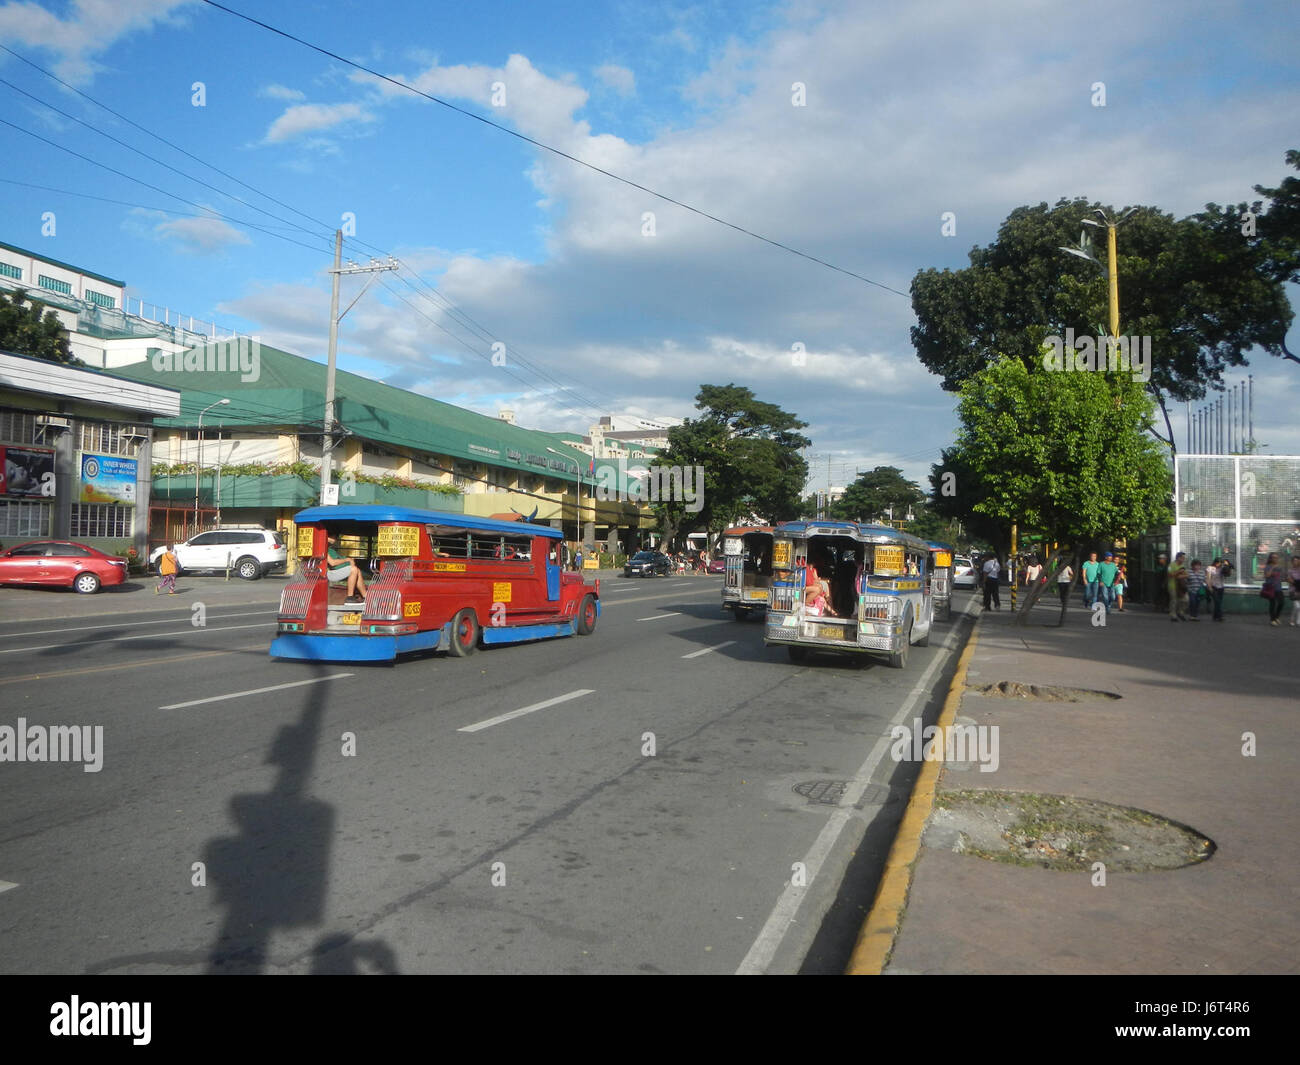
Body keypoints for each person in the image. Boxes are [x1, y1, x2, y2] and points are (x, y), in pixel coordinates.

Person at [326, 535, 367, 603]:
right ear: (326, 536)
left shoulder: (330, 549)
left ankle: (366, 597)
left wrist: (350, 561)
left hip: (334, 572)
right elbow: (332, 563)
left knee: (357, 570)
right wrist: (347, 560)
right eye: (333, 535)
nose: (335, 538)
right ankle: (349, 597)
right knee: (353, 569)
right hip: (327, 574)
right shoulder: (323, 548)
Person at [1261, 552, 1286, 626]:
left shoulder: (1279, 567)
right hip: (1270, 588)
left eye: (1276, 558)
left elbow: (1281, 577)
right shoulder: (1267, 567)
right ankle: (1272, 620)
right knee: (1273, 603)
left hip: (1278, 587)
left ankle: (1276, 617)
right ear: (1270, 559)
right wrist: (1273, 567)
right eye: (1274, 557)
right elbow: (1267, 575)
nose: (1275, 559)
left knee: (1281, 603)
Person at [1166, 552, 1189, 621]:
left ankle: (1180, 612)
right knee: (1174, 600)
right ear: (1178, 558)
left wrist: (1181, 575)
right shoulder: (1171, 565)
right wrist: (1178, 572)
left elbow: (1187, 575)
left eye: (1184, 558)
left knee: (1186, 600)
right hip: (1172, 586)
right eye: (1182, 558)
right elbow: (1170, 575)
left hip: (1181, 587)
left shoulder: (1182, 566)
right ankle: (1173, 615)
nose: (1184, 559)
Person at [1208, 556, 1231, 622]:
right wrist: (1209, 587)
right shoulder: (1210, 568)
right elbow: (1208, 578)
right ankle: (1220, 616)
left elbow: (1228, 575)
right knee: (1217, 601)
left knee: (1218, 602)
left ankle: (1215, 616)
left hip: (1221, 587)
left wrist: (1227, 566)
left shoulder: (1222, 568)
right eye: (1217, 562)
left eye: (1220, 562)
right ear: (1214, 562)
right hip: (1213, 587)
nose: (1218, 564)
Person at [1289, 556, 1300, 627]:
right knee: (1297, 606)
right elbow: (1290, 581)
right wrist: (1297, 583)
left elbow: (1294, 581)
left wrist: (1295, 581)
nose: (1296, 562)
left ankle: (1298, 621)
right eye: (1294, 560)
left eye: (1297, 560)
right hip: (1293, 590)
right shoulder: (1290, 571)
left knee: (1298, 607)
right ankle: (1292, 619)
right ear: (1292, 562)